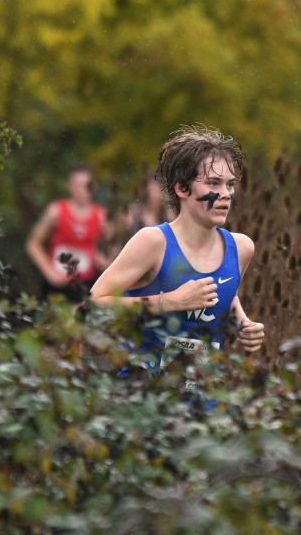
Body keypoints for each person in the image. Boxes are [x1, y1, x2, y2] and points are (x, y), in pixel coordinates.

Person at [89, 126, 265, 379]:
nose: (226, 194)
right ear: (182, 189)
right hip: (141, 400)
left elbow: (226, 294)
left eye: (230, 184)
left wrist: (243, 325)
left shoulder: (241, 248)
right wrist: (170, 302)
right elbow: (93, 305)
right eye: (214, 183)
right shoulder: (153, 242)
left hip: (202, 402)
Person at [25, 164, 110, 300]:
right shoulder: (56, 210)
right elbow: (33, 244)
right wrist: (49, 272)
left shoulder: (101, 216)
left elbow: (113, 248)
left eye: (87, 185)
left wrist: (105, 261)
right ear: (69, 186)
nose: (82, 190)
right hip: (57, 285)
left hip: (86, 285)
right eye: (78, 185)